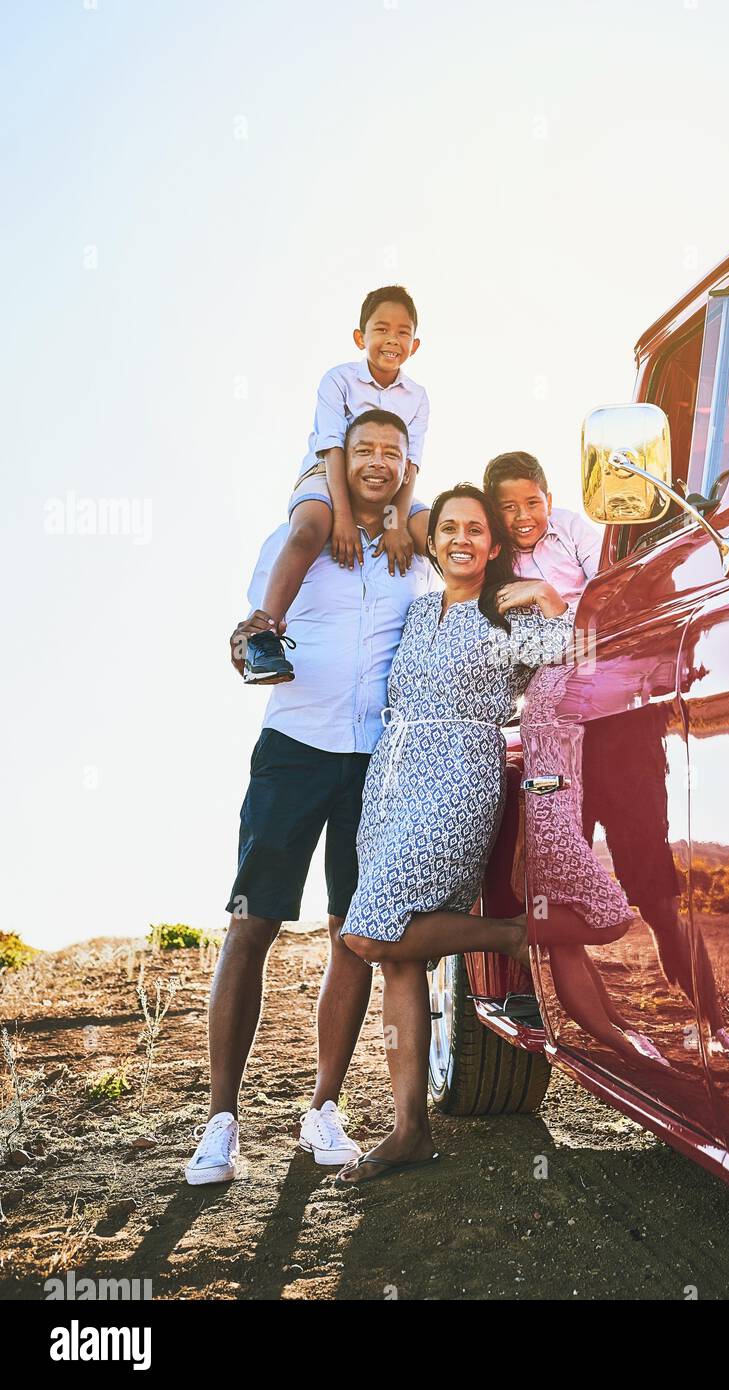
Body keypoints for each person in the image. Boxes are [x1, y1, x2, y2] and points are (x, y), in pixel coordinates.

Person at [184, 409, 433, 1186]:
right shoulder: (294, 540)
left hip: (374, 763)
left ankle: (322, 1109)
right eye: (364, 450)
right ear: (340, 459)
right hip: (293, 750)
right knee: (253, 922)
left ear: (403, 465)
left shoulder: (413, 557)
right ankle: (221, 1121)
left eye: (392, 452)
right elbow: (252, 635)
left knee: (352, 933)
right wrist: (241, 642)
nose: (378, 463)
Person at [334, 483, 573, 1184]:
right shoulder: (413, 613)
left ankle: (511, 934)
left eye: (475, 528)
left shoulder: (507, 612)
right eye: (448, 528)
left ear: (494, 545)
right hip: (391, 782)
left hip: (461, 776)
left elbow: (571, 660)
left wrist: (553, 604)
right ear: (433, 541)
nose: (461, 538)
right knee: (399, 960)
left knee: (367, 934)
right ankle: (410, 1129)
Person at [244, 287, 431, 685]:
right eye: (381, 329)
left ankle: (484, 633)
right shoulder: (339, 380)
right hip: (326, 475)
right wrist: (342, 519)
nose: (392, 340)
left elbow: (410, 463)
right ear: (360, 338)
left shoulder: (417, 397)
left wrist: (396, 522)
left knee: (435, 529)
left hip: (391, 486)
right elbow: (332, 449)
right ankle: (262, 636)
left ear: (414, 344)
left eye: (402, 332)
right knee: (308, 532)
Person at [482, 450, 602, 606]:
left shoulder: (570, 525)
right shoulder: (491, 554)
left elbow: (605, 581)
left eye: (532, 503)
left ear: (549, 503)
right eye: (509, 507)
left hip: (588, 621)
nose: (523, 516)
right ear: (493, 512)